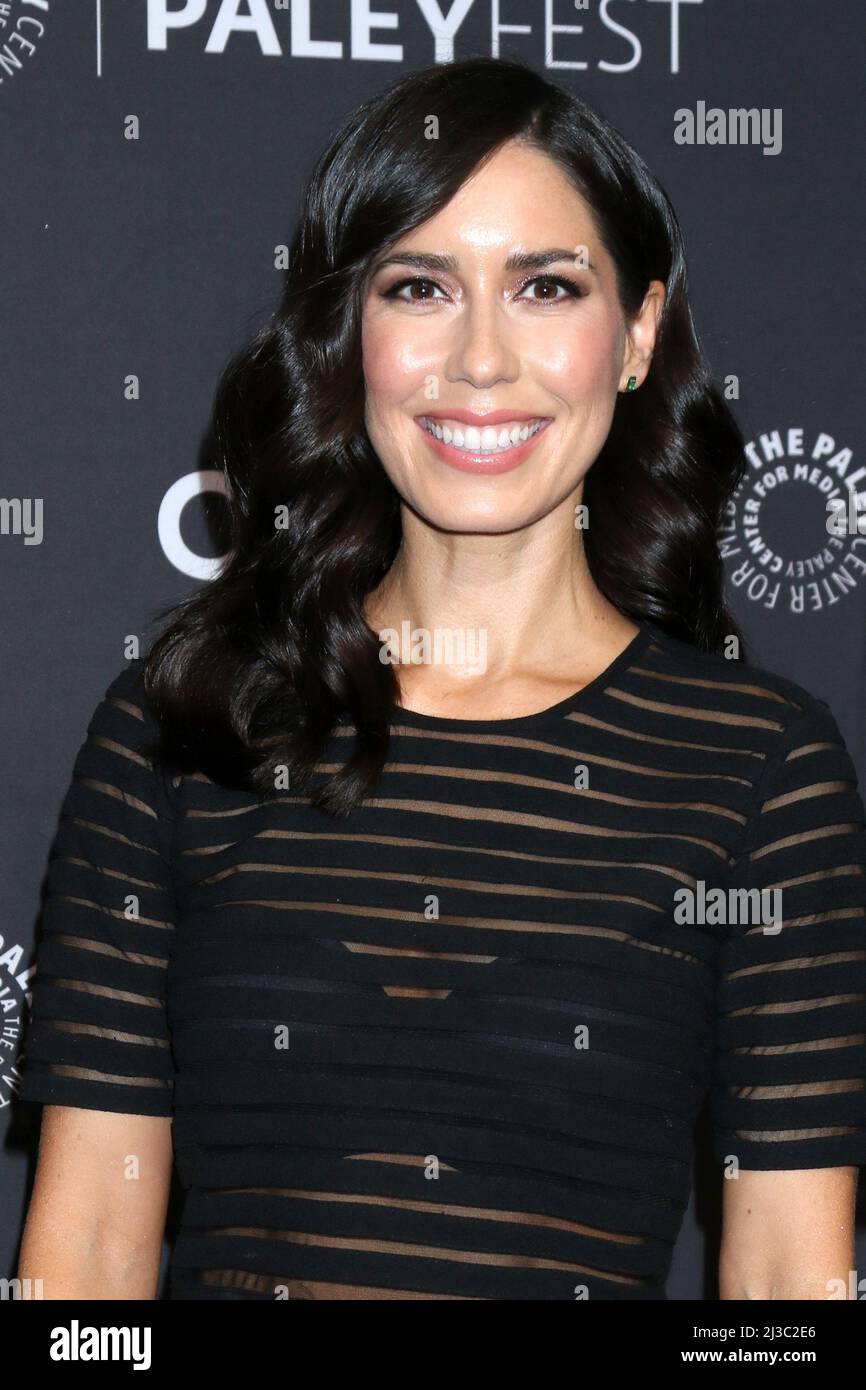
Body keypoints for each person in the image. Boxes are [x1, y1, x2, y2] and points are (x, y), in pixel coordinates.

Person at [17, 57, 866, 1300]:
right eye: (418, 286)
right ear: (348, 331)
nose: (478, 359)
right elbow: (85, 1258)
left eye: (544, 288)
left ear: (634, 336)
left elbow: (790, 1286)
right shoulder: (186, 727)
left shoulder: (755, 766)